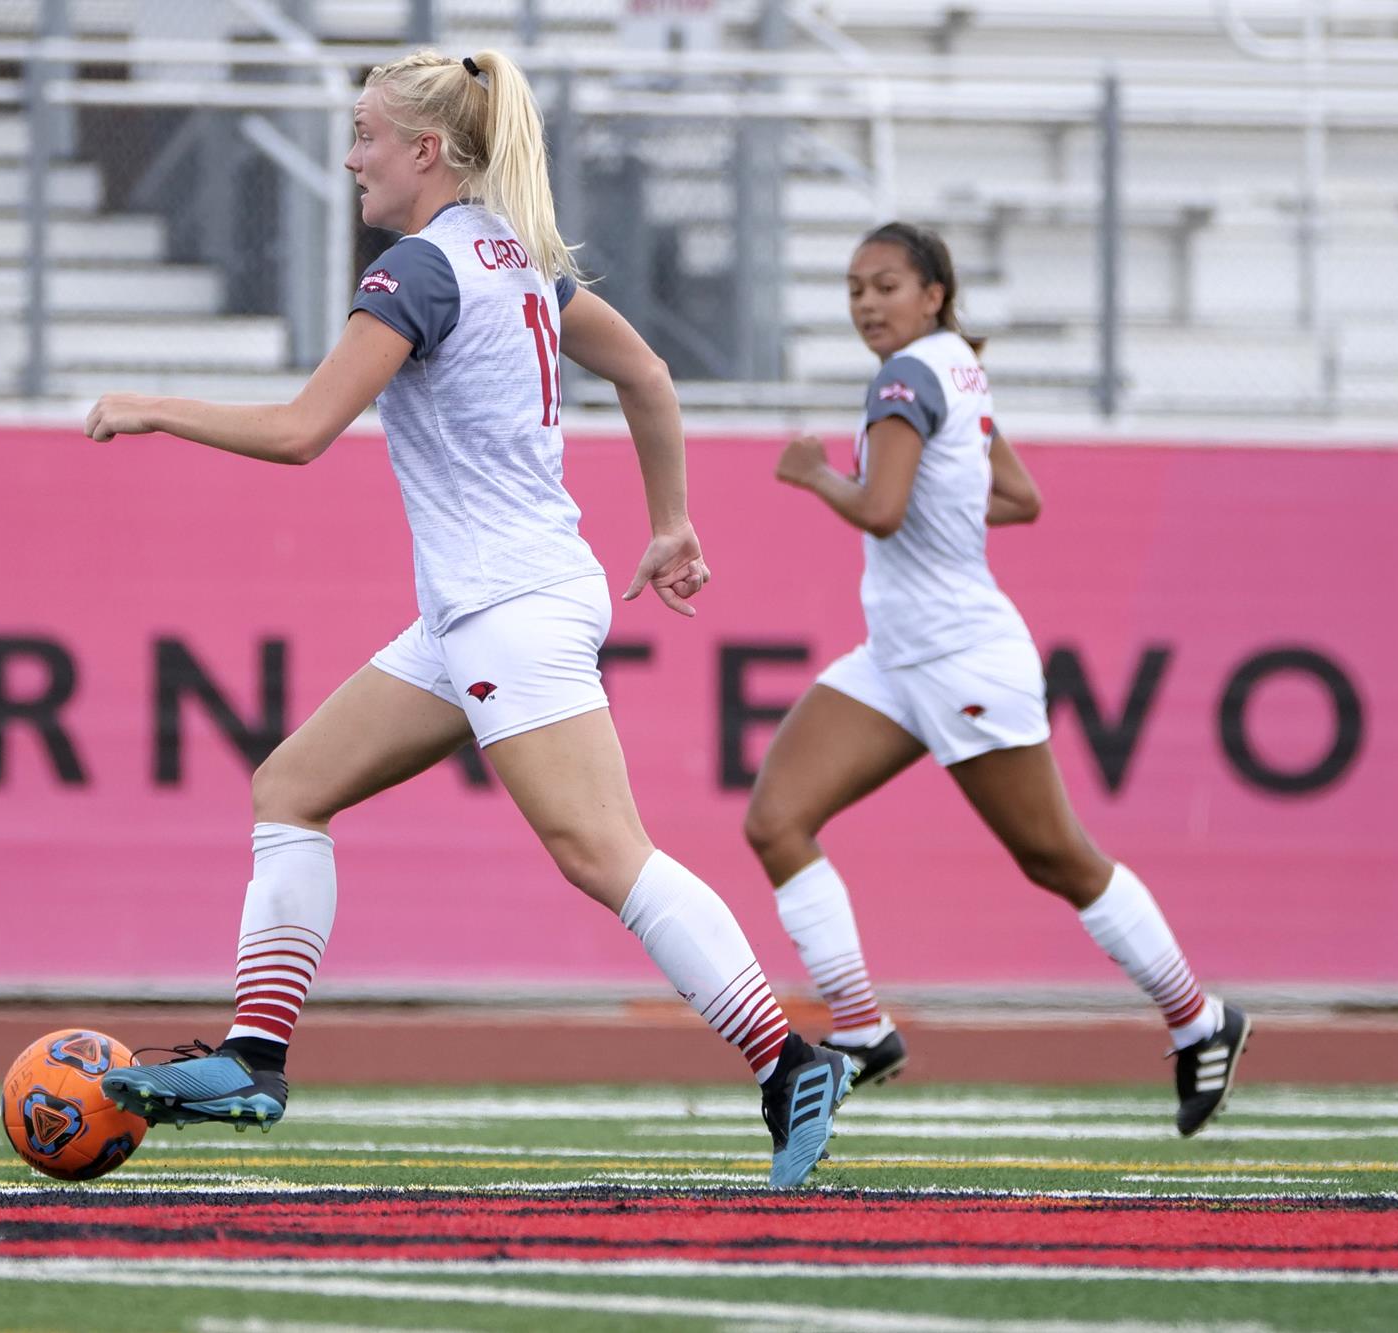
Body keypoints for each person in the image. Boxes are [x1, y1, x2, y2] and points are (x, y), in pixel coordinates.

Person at [81, 49, 849, 1186]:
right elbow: (647, 374)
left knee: (602, 852)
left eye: (366, 135)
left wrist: (153, 406)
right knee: (291, 787)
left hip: (505, 605)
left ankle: (787, 1059)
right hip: (484, 605)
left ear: (426, 150)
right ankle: (254, 1057)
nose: (352, 157)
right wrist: (670, 522)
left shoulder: (418, 269)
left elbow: (301, 432)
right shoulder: (517, 255)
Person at [746, 221, 1250, 1136]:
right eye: (854, 288)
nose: (866, 303)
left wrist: (815, 474)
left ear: (933, 294)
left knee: (1057, 857)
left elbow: (883, 510)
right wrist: (938, 502)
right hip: (901, 655)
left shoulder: (906, 377)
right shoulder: (955, 368)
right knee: (777, 818)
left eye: (886, 285)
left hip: (960, 656)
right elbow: (1019, 496)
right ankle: (861, 1028)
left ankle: (1199, 1017)